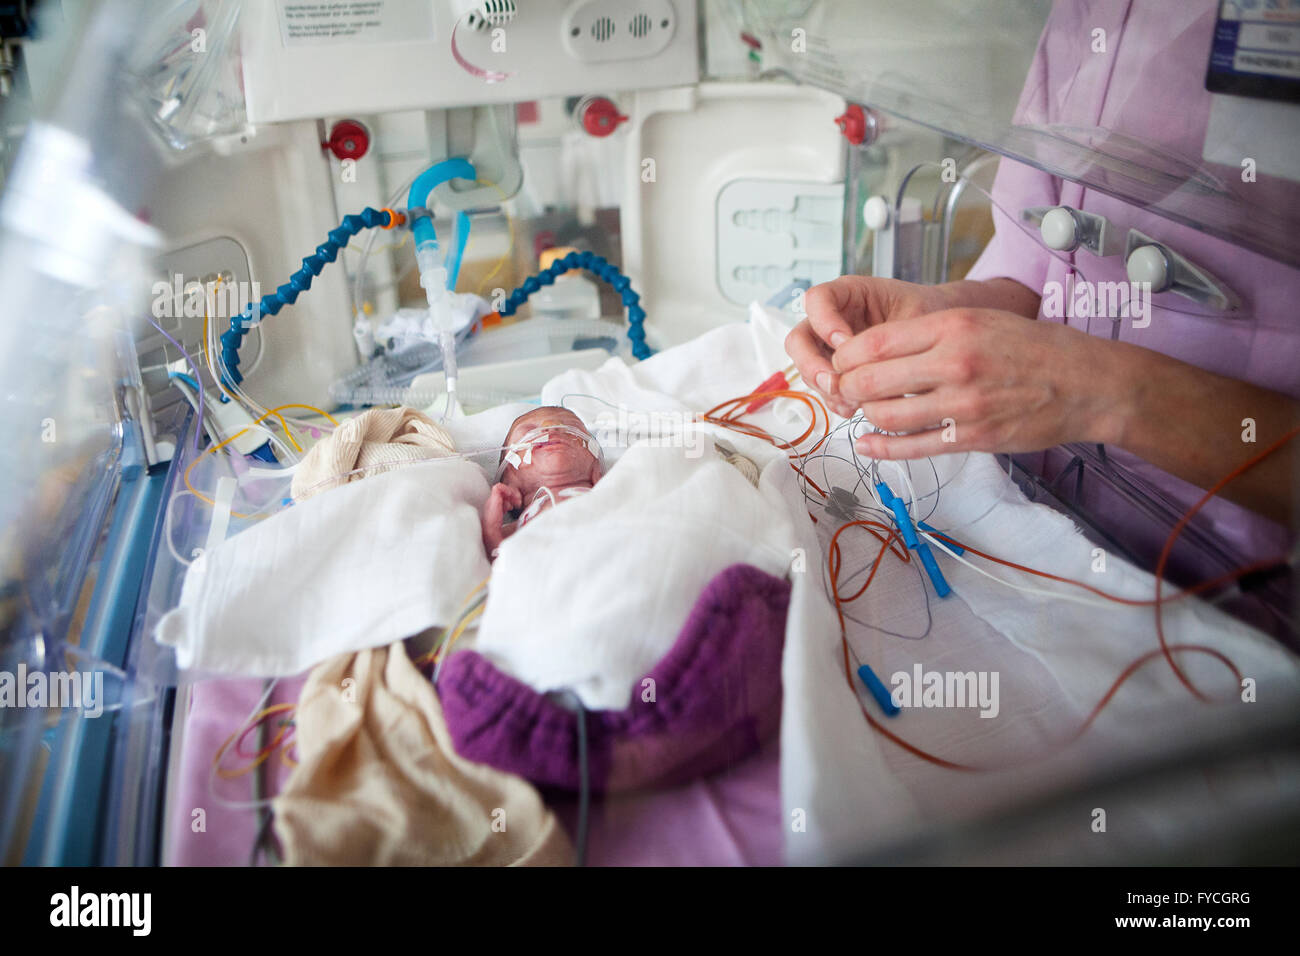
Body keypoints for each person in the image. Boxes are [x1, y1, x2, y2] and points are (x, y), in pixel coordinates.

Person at [786, 0, 1300, 599]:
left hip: (1238, 582)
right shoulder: (1086, 13)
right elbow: (1042, 267)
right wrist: (941, 313)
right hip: (1047, 508)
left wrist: (1098, 390)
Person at [482, 406, 604, 557]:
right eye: (528, 430)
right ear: (508, 484)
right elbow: (500, 562)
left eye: (571, 427)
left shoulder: (610, 495)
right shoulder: (519, 529)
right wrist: (491, 532)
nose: (551, 425)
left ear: (597, 472)